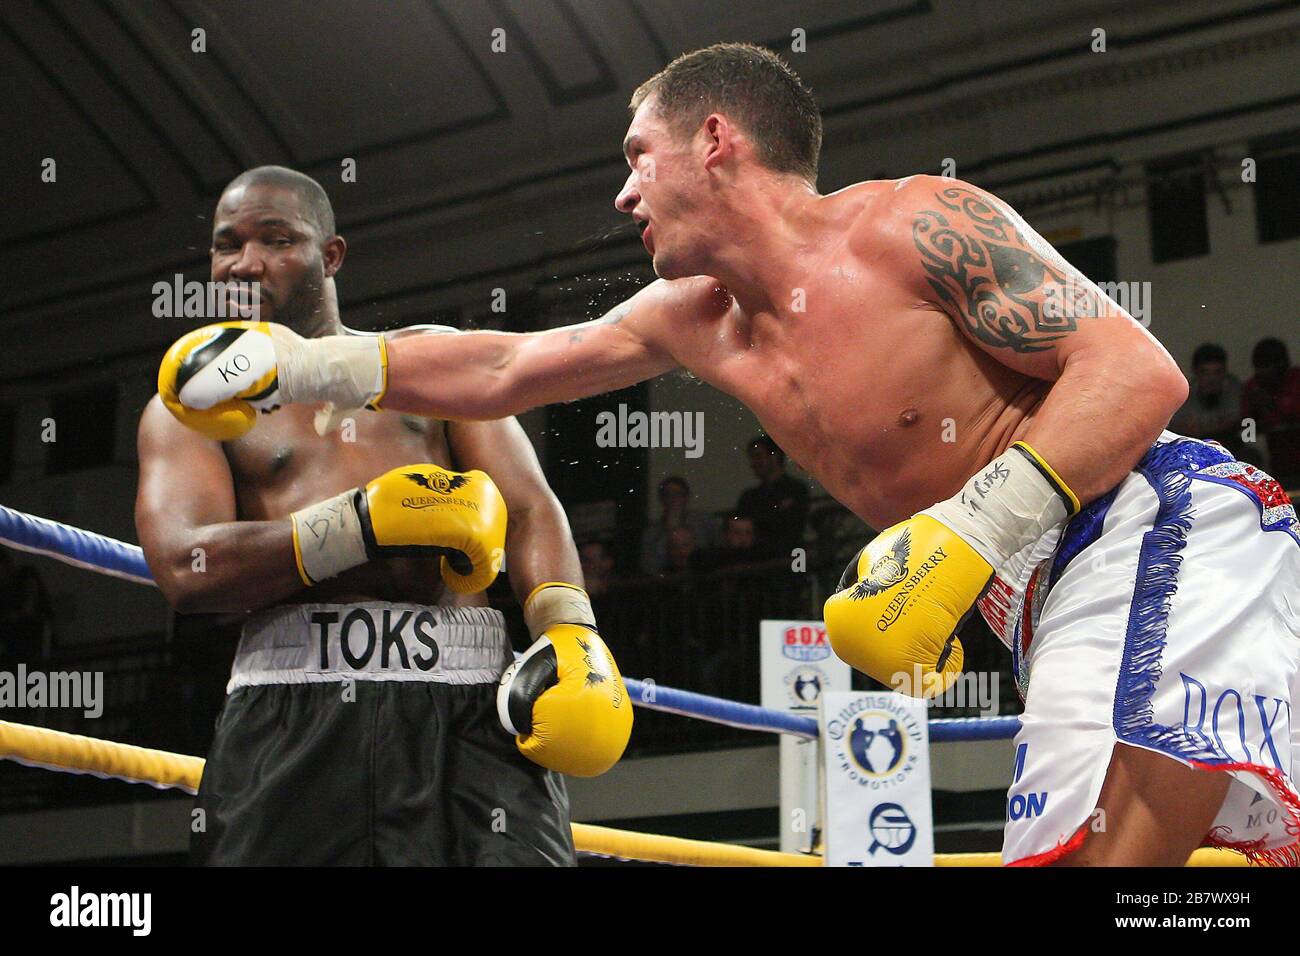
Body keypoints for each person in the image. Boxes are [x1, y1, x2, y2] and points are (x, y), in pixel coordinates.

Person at [161, 45, 1299, 866]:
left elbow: (1135, 373)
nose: (621, 191)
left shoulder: (911, 223)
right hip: (1048, 588)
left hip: (1152, 526)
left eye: (636, 155)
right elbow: (507, 367)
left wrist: (969, 530)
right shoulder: (690, 313)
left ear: (715, 142)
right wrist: (306, 367)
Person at [137, 166, 630, 866]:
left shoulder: (419, 360)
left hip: (466, 707)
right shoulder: (189, 408)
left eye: (277, 240)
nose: (246, 263)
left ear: (329, 256)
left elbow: (526, 507)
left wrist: (570, 631)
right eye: (228, 245)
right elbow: (187, 567)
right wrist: (362, 525)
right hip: (292, 710)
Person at [736, 435, 810, 560]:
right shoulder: (749, 496)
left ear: (774, 456)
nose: (754, 463)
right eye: (753, 458)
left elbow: (794, 526)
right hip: (762, 556)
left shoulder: (795, 489)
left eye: (758, 456)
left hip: (784, 554)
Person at [1169, 343, 1248, 459]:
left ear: (1224, 373)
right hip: (1193, 452)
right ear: (1196, 373)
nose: (1212, 379)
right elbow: (1180, 427)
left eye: (1217, 372)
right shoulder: (1184, 392)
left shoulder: (1234, 389)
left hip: (1232, 449)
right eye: (1205, 373)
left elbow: (1237, 422)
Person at [1243, 337, 1300, 488]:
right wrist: (1256, 419)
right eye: (1258, 367)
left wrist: (1272, 405)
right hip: (1273, 463)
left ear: (1282, 365)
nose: (1261, 372)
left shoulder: (1296, 380)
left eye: (1266, 366)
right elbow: (1247, 433)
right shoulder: (1253, 387)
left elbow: (1293, 415)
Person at [639, 475, 717, 574]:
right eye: (668, 495)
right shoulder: (651, 533)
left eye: (678, 494)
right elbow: (649, 567)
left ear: (686, 497)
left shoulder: (703, 521)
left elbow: (718, 548)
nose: (673, 499)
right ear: (661, 499)